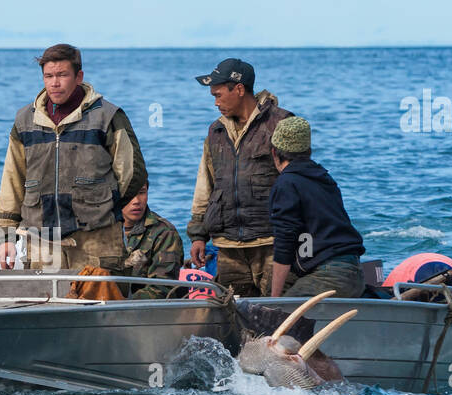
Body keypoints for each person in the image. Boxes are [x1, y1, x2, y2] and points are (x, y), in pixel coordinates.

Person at [0, 44, 146, 272]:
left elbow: (132, 173)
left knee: (101, 302)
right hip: (41, 241)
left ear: (78, 76)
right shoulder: (25, 121)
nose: (55, 83)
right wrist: (6, 236)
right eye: (49, 76)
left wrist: (102, 207)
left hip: (97, 241)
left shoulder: (108, 116)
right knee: (43, 304)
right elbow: (12, 180)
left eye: (63, 75)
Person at [185, 58, 293, 297]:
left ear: (240, 89)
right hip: (228, 246)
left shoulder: (281, 123)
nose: (215, 102)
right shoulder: (216, 131)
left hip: (272, 243)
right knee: (234, 318)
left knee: (278, 313)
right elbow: (205, 185)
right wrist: (198, 236)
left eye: (219, 95)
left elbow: (298, 184)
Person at [268, 116, 366, 298]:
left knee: (278, 315)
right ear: (308, 151)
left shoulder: (286, 183)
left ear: (275, 153)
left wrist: (274, 299)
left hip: (330, 275)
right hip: (355, 271)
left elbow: (284, 243)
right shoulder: (324, 177)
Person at [120, 179, 185, 299]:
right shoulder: (99, 230)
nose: (136, 201)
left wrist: (119, 303)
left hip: (141, 310)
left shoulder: (164, 233)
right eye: (129, 194)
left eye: (141, 192)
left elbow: (163, 287)